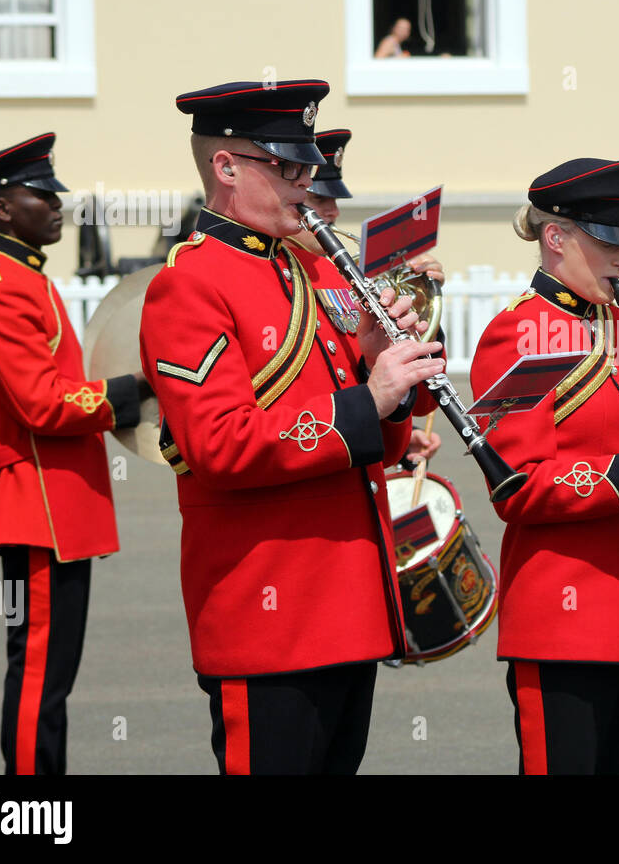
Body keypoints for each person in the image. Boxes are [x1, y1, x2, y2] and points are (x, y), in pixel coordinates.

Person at [139, 79, 444, 774]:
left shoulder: (317, 274)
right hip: (267, 618)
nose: (307, 182)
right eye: (287, 167)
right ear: (227, 167)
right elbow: (221, 445)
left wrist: (391, 377)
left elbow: (378, 443)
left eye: (307, 167)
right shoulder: (190, 283)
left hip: (350, 606)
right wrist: (370, 398)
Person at [468, 158, 619, 775]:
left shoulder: (618, 331)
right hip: (561, 622)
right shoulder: (514, 335)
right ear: (557, 238)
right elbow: (517, 488)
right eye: (608, 242)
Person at [0, 133, 145, 774]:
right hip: (37, 507)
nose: (58, 206)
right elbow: (43, 404)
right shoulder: (0, 288)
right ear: (2, 208)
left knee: (48, 670)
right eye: (43, 195)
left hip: (50, 501)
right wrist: (131, 393)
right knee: (39, 672)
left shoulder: (19, 276)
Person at [295, 127, 443, 466]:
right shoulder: (279, 276)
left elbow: (420, 401)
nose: (331, 212)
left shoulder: (348, 273)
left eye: (334, 200)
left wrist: (424, 303)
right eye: (319, 200)